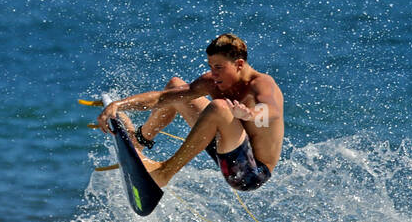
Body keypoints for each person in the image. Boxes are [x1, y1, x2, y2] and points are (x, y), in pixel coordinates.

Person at [97, 33, 284, 191]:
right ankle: (139, 141)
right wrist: (120, 104)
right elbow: (162, 98)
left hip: (249, 173)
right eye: (211, 66)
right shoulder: (214, 81)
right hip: (224, 147)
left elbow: (271, 111)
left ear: (239, 64)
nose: (213, 73)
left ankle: (163, 173)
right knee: (176, 88)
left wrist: (249, 115)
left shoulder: (261, 84)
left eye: (219, 67)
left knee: (219, 107)